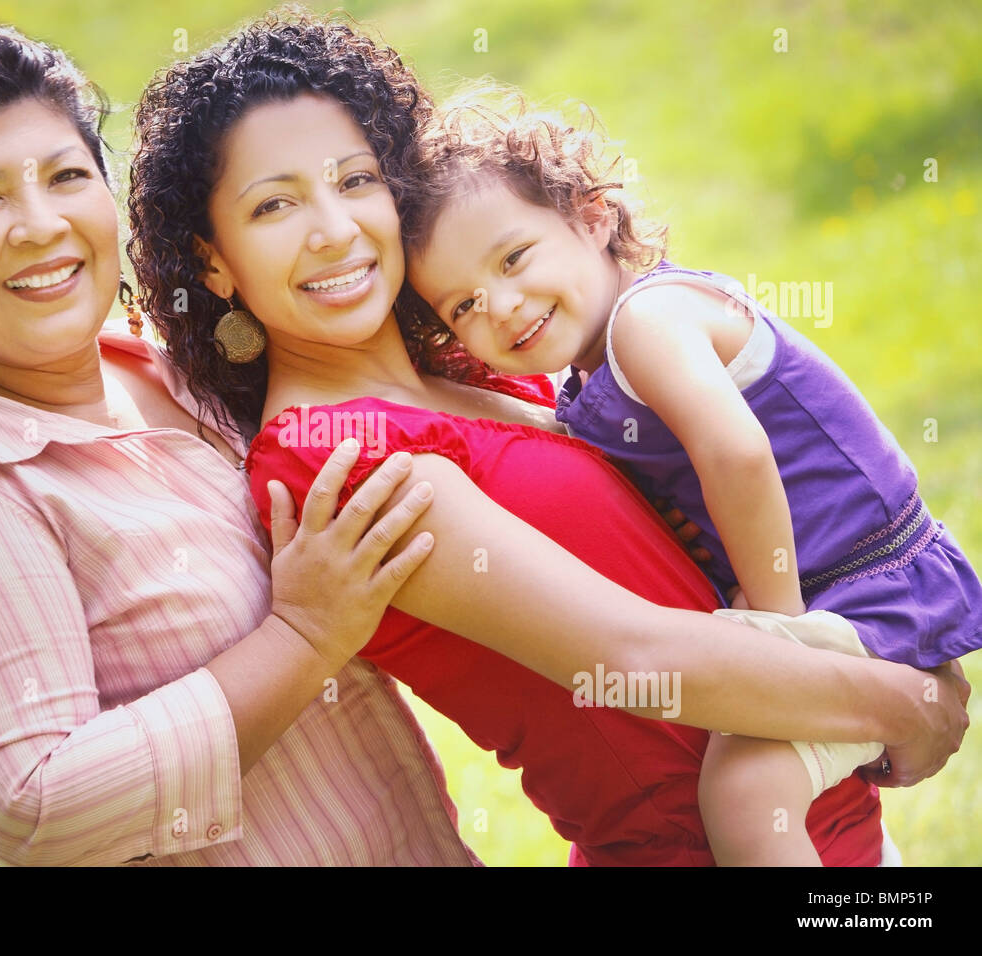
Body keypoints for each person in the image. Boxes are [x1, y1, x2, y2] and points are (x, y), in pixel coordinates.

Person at [125, 9, 970, 865]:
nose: (335, 230)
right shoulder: (334, 459)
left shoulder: (487, 362)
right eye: (274, 204)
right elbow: (635, 656)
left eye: (354, 181)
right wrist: (897, 701)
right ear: (213, 262)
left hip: (832, 822)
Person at [0, 20, 484, 866]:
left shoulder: (182, 367)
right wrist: (304, 637)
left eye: (68, 176)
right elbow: (36, 815)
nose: (40, 224)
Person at [399, 91, 982, 864]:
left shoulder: (651, 321)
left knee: (742, 796)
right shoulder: (590, 378)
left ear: (593, 215)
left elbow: (736, 454)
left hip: (863, 583)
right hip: (841, 589)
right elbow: (550, 434)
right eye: (464, 304)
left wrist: (777, 640)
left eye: (513, 259)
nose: (501, 305)